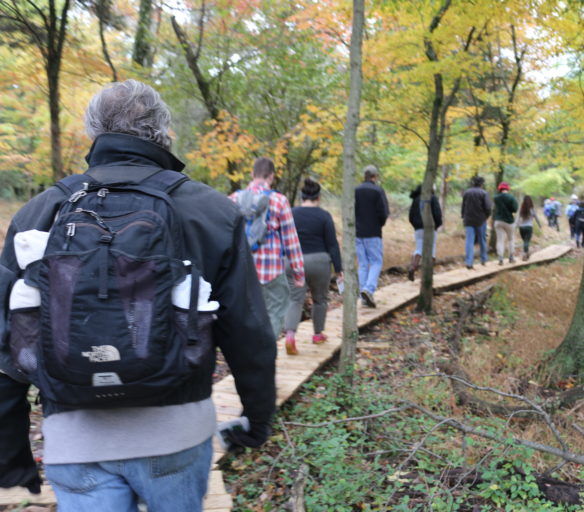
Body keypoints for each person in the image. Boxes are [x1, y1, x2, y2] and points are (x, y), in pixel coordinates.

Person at [0, 80, 276, 511]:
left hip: (75, 440)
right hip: (176, 434)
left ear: (94, 131)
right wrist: (257, 417)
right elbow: (248, 330)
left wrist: (10, 450)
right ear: (164, 132)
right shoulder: (211, 211)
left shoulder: (41, 211)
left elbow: (8, 339)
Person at [233, 157, 305, 352]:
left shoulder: (233, 199)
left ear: (251, 174)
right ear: (271, 176)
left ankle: (246, 353)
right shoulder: (279, 200)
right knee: (276, 310)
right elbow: (291, 240)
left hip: (243, 269)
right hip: (271, 270)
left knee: (248, 312)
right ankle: (263, 353)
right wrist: (298, 273)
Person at [283, 178, 342, 353]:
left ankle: (290, 336)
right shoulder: (324, 216)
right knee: (320, 299)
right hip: (319, 261)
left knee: (294, 299)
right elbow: (332, 244)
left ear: (302, 197)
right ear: (318, 197)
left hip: (294, 261)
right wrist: (339, 269)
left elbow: (283, 239)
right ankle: (317, 334)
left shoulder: (290, 213)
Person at [354, 165, 389, 308]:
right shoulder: (378, 191)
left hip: (358, 232)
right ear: (375, 177)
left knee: (362, 264)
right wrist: (379, 224)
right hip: (373, 232)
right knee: (376, 262)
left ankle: (363, 295)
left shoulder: (355, 191)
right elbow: (384, 213)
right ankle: (368, 289)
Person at [407, 184, 443, 281]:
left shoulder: (416, 199)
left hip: (418, 228)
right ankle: (427, 275)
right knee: (432, 250)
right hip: (430, 228)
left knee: (419, 249)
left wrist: (416, 225)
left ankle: (412, 267)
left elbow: (410, 216)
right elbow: (438, 214)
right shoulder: (433, 198)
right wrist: (436, 225)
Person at [461, 176, 492, 269]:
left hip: (468, 220)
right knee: (482, 240)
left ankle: (469, 262)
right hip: (480, 220)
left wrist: (463, 217)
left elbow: (463, 207)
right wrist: (486, 217)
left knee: (469, 240)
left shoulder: (466, 193)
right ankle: (483, 259)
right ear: (481, 184)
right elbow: (488, 208)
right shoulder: (484, 193)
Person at [493, 182, 518, 265]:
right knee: (511, 239)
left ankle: (500, 259)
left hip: (498, 221)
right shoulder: (511, 198)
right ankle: (511, 257)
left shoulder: (496, 198)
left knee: (500, 240)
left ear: (500, 188)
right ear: (507, 188)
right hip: (509, 221)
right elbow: (515, 209)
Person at [516, 195, 542, 261]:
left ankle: (526, 254)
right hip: (529, 227)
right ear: (531, 201)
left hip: (521, 227)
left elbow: (517, 218)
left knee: (525, 241)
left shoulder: (521, 209)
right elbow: (536, 218)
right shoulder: (532, 209)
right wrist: (539, 225)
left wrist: (516, 226)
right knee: (526, 241)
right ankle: (525, 254)